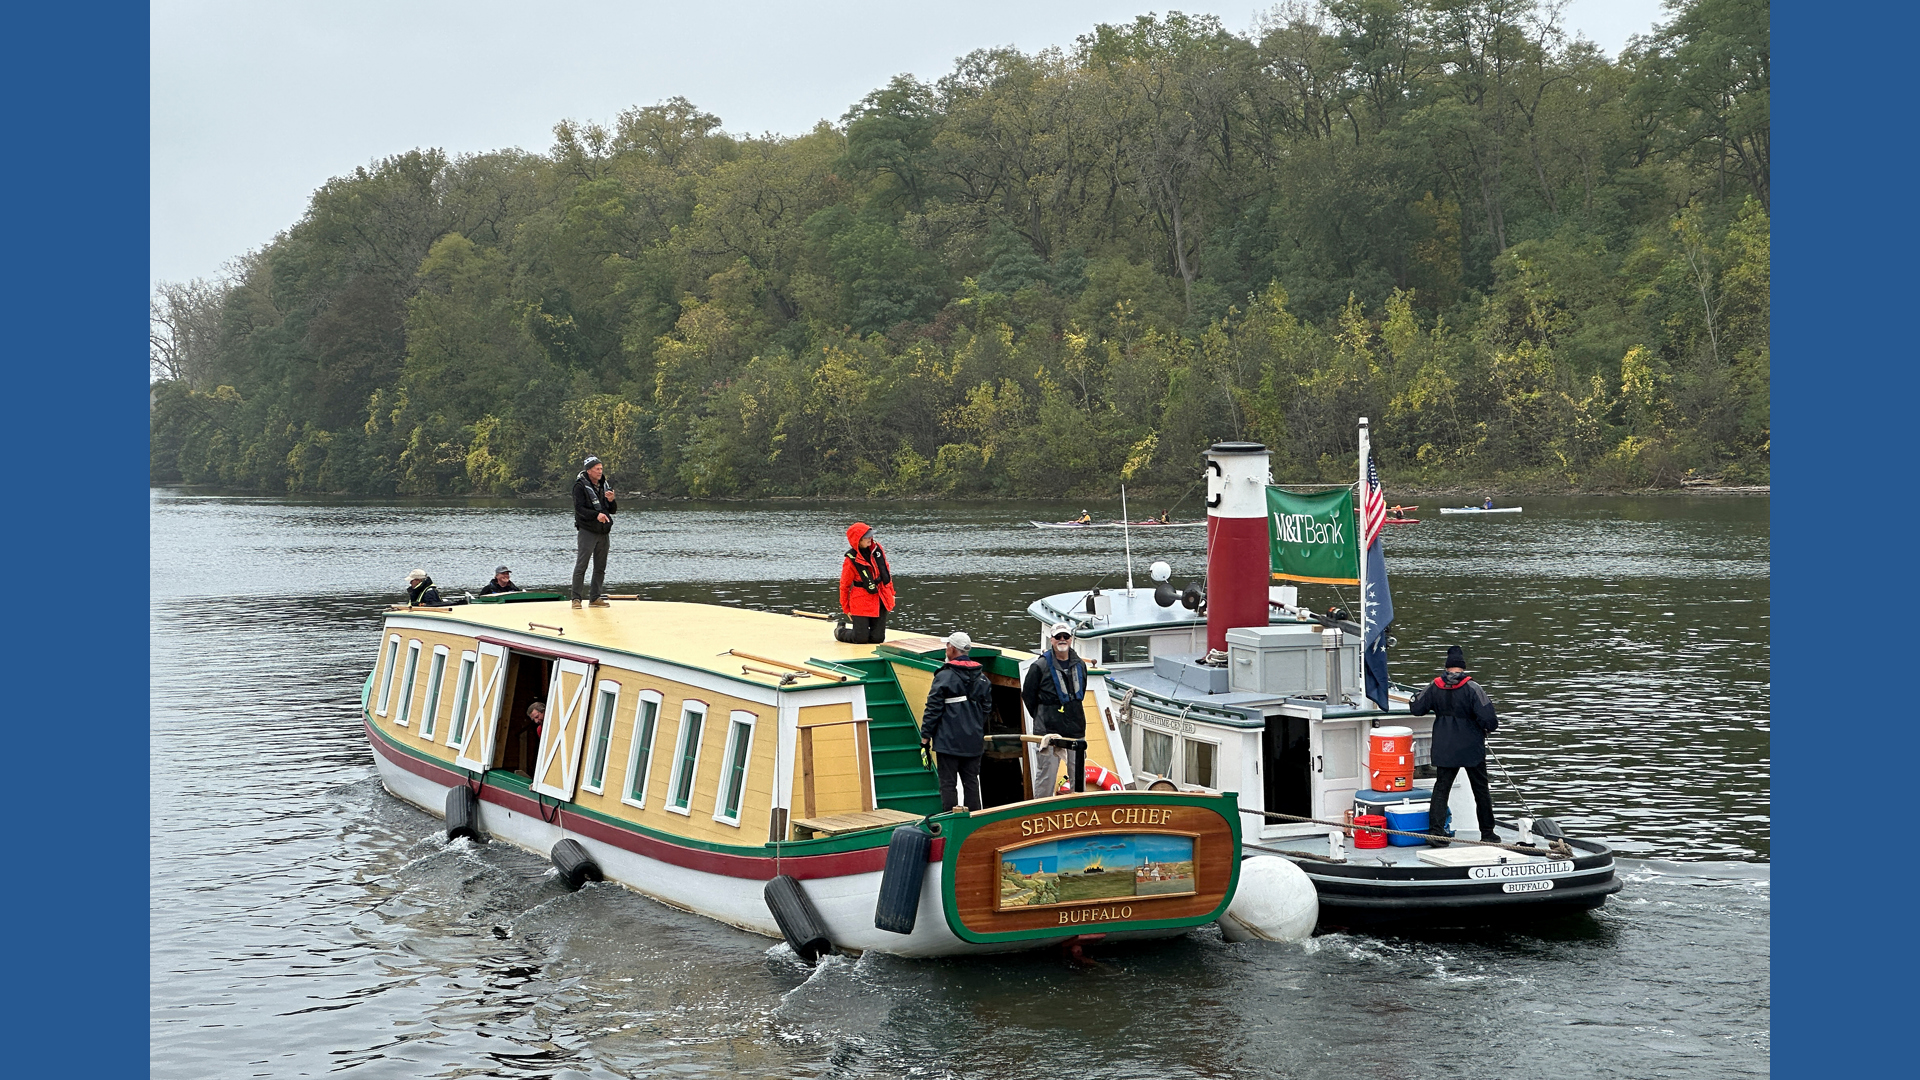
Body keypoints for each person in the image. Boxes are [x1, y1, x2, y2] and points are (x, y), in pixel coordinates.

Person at [1408, 645, 1501, 844]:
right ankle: (1487, 833)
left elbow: (1416, 708)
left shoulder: (1434, 686)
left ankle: (1435, 832)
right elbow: (1489, 719)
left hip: (1445, 746)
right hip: (1471, 747)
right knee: (1481, 790)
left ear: (1447, 667)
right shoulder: (1473, 688)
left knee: (1441, 788)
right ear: (1463, 668)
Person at [921, 631, 993, 812]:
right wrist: (975, 726)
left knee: (948, 783)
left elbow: (933, 709)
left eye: (947, 646)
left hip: (948, 741)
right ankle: (975, 820)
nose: (946, 649)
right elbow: (986, 709)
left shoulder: (944, 676)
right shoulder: (983, 678)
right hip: (973, 741)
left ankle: (950, 820)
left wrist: (925, 737)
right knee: (971, 782)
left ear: (952, 648)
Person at [1022, 623, 1088, 797]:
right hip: (1047, 730)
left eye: (1065, 636)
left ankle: (1080, 811)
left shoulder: (1080, 665)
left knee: (1078, 775)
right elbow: (1028, 695)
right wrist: (1042, 716)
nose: (1062, 640)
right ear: (1051, 640)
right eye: (1058, 637)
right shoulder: (1039, 666)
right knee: (1046, 775)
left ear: (1071, 639)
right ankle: (1040, 812)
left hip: (1075, 727)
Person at [836, 522, 895, 643]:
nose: (870, 538)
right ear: (858, 540)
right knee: (860, 638)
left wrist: (891, 593)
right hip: (860, 602)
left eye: (870, 536)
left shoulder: (877, 550)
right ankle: (840, 631)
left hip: (880, 598)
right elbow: (844, 586)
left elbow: (886, 572)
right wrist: (846, 608)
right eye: (866, 537)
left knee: (877, 638)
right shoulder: (850, 560)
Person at [571, 455, 617, 609]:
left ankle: (595, 597)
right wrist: (596, 515)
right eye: (597, 469)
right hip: (587, 531)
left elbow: (612, 510)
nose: (600, 471)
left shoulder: (604, 485)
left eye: (601, 468)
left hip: (603, 532)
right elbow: (580, 509)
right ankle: (576, 599)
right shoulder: (580, 486)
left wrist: (611, 500)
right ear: (589, 470)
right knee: (581, 565)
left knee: (600, 567)